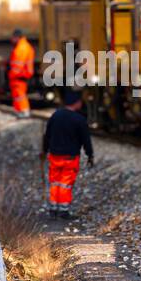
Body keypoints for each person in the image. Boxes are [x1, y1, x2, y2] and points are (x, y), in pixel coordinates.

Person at [40, 89, 93, 218]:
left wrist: (44, 150)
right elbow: (85, 139)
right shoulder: (79, 120)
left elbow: (47, 136)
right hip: (70, 157)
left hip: (55, 156)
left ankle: (53, 208)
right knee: (65, 183)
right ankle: (64, 209)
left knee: (55, 181)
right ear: (76, 103)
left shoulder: (55, 116)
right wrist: (89, 154)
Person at [8, 29, 35, 118]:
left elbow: (18, 64)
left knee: (20, 94)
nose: (11, 40)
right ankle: (20, 111)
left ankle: (24, 111)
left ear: (17, 37)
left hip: (19, 75)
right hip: (22, 74)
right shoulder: (24, 46)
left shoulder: (21, 48)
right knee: (18, 94)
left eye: (13, 37)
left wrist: (12, 74)